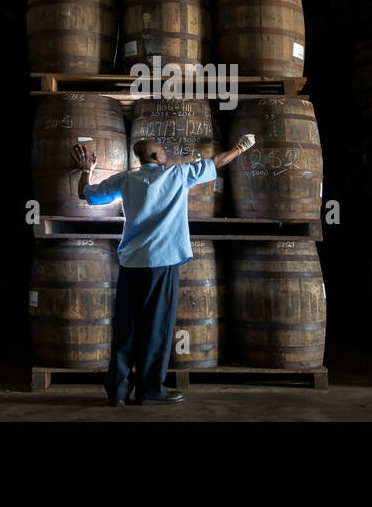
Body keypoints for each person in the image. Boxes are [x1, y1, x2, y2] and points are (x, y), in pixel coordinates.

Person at [71, 133, 257, 406]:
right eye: (162, 151)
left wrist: (87, 171)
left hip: (131, 263)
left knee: (127, 327)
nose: (167, 154)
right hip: (162, 263)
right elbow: (216, 161)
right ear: (154, 157)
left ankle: (118, 392)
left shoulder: (125, 179)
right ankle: (150, 390)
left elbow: (85, 195)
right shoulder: (177, 175)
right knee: (156, 328)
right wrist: (241, 147)